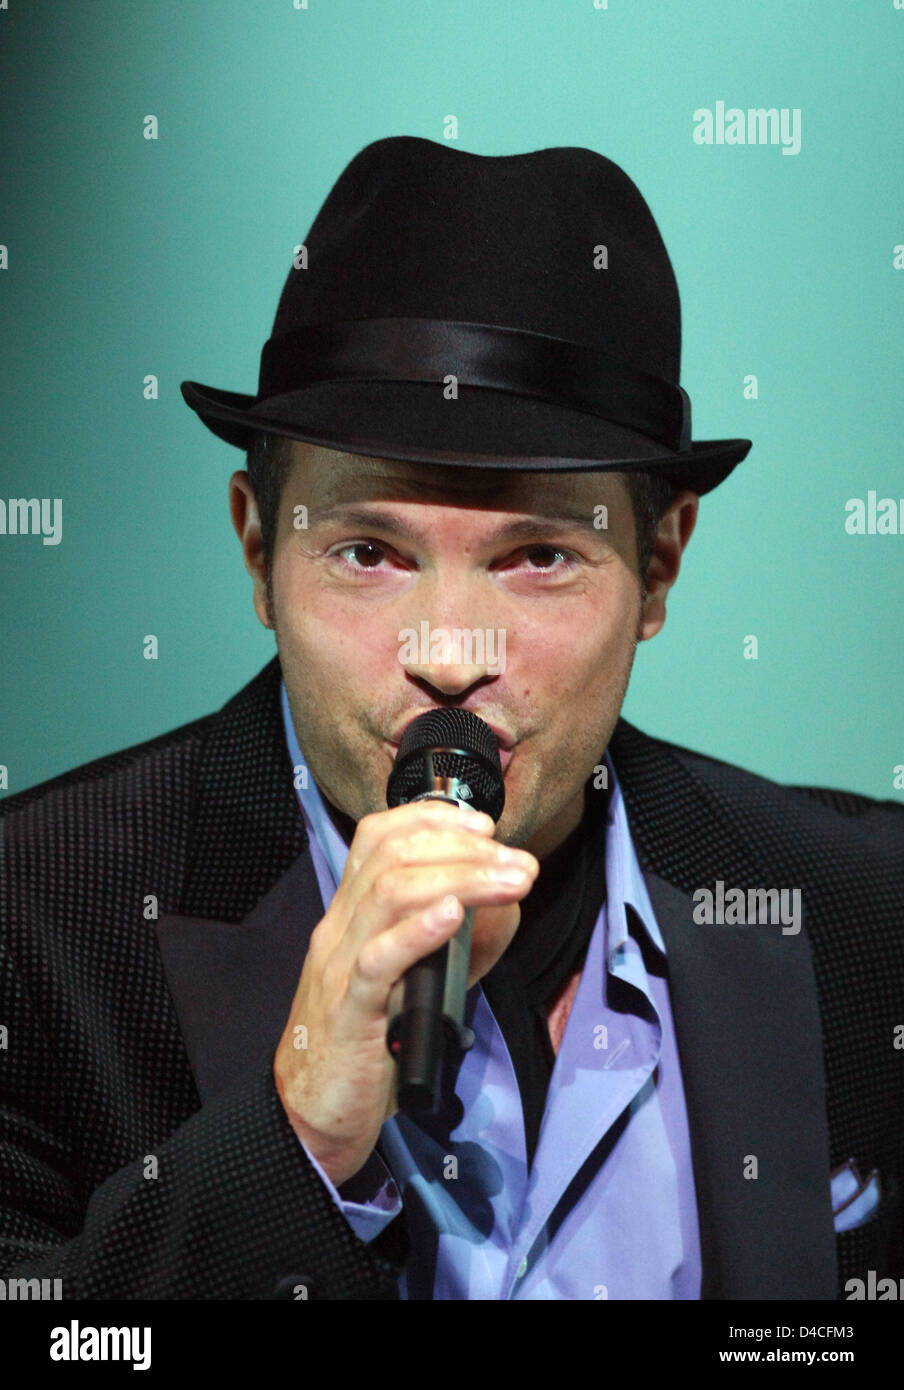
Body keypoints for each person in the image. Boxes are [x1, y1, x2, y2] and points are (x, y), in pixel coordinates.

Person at [1, 136, 901, 1301]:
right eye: (368, 553)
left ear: (661, 565)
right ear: (258, 545)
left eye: (537, 556)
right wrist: (294, 1146)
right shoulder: (33, 919)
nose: (448, 655)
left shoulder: (864, 910)